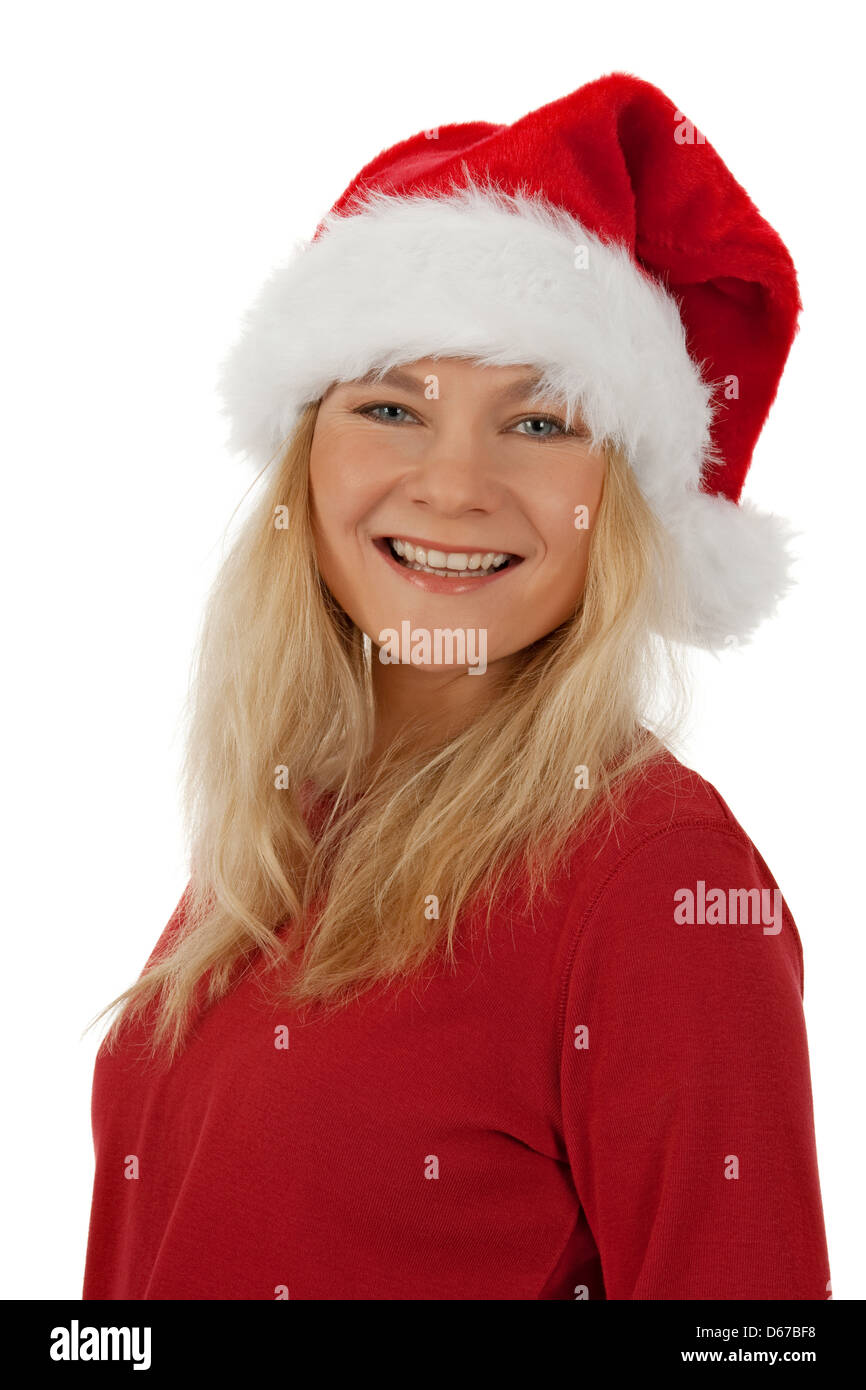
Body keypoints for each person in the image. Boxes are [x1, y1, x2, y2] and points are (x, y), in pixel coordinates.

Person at [82, 72, 831, 1300]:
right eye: (390, 406)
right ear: (307, 465)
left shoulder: (659, 879)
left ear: (621, 507)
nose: (451, 486)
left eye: (538, 425)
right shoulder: (292, 819)